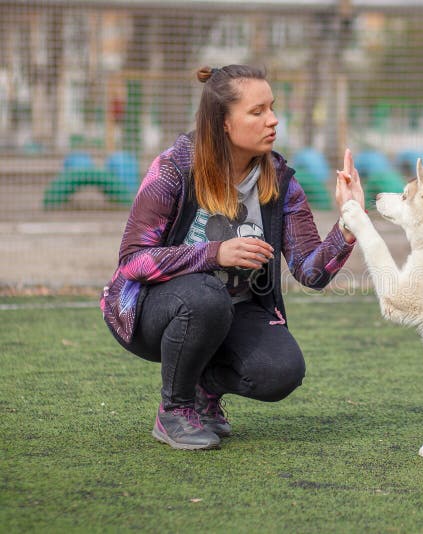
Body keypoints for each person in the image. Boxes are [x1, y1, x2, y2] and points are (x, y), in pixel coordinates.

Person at [100, 64, 365, 450]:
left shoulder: (281, 181)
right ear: (223, 123)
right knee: (205, 296)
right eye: (257, 112)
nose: (273, 120)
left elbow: (311, 272)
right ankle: (174, 410)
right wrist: (215, 253)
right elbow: (134, 261)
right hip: (153, 310)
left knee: (281, 372)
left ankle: (206, 388)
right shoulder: (174, 167)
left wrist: (349, 221)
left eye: (272, 108)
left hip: (231, 309)